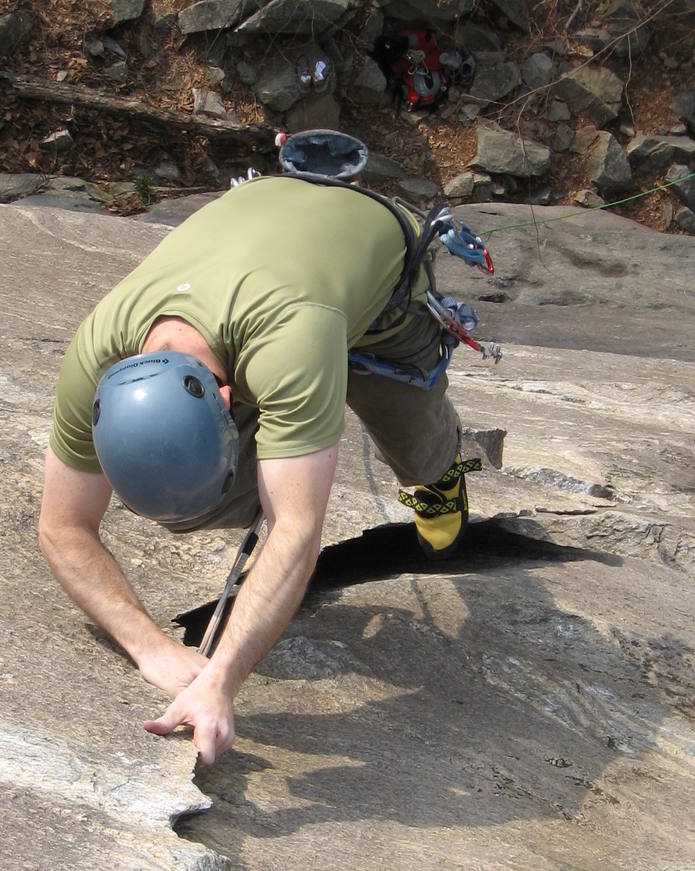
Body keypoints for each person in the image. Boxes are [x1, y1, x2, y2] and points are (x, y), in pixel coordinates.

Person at [39, 173, 480, 765]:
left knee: (416, 447)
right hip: (275, 262)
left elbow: (295, 529)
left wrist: (219, 681)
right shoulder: (96, 357)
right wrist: (150, 648)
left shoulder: (291, 338)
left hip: (383, 291)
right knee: (196, 493)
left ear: (226, 401)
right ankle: (288, 429)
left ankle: (439, 480)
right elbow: (61, 526)